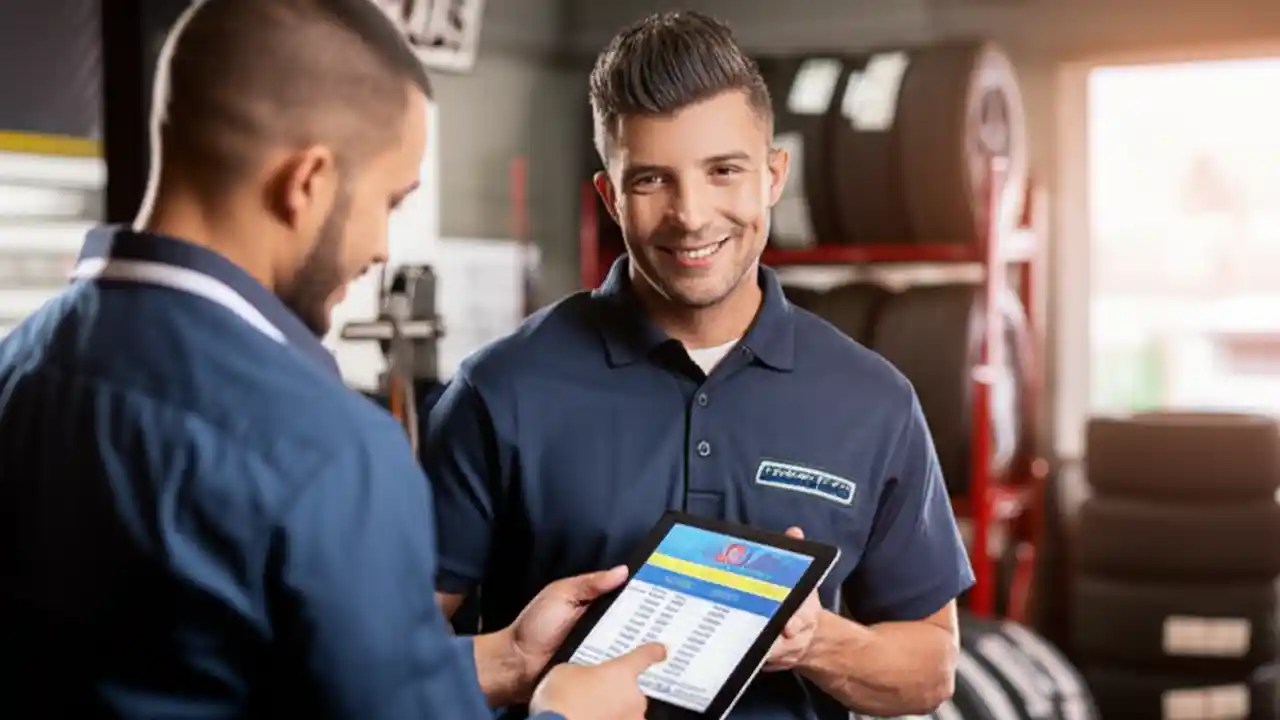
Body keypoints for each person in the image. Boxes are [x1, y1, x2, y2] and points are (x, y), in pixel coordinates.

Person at [0, 1, 665, 718]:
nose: (382, 247)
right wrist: (570, 713)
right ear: (307, 181)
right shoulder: (326, 448)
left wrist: (505, 659)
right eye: (387, 200)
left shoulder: (25, 365)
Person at [424, 10, 974, 719]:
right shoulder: (499, 392)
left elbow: (931, 669)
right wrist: (512, 665)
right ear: (608, 197)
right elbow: (376, 661)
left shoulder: (872, 400)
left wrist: (813, 640)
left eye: (724, 171)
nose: (691, 214)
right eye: (651, 179)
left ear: (774, 175)